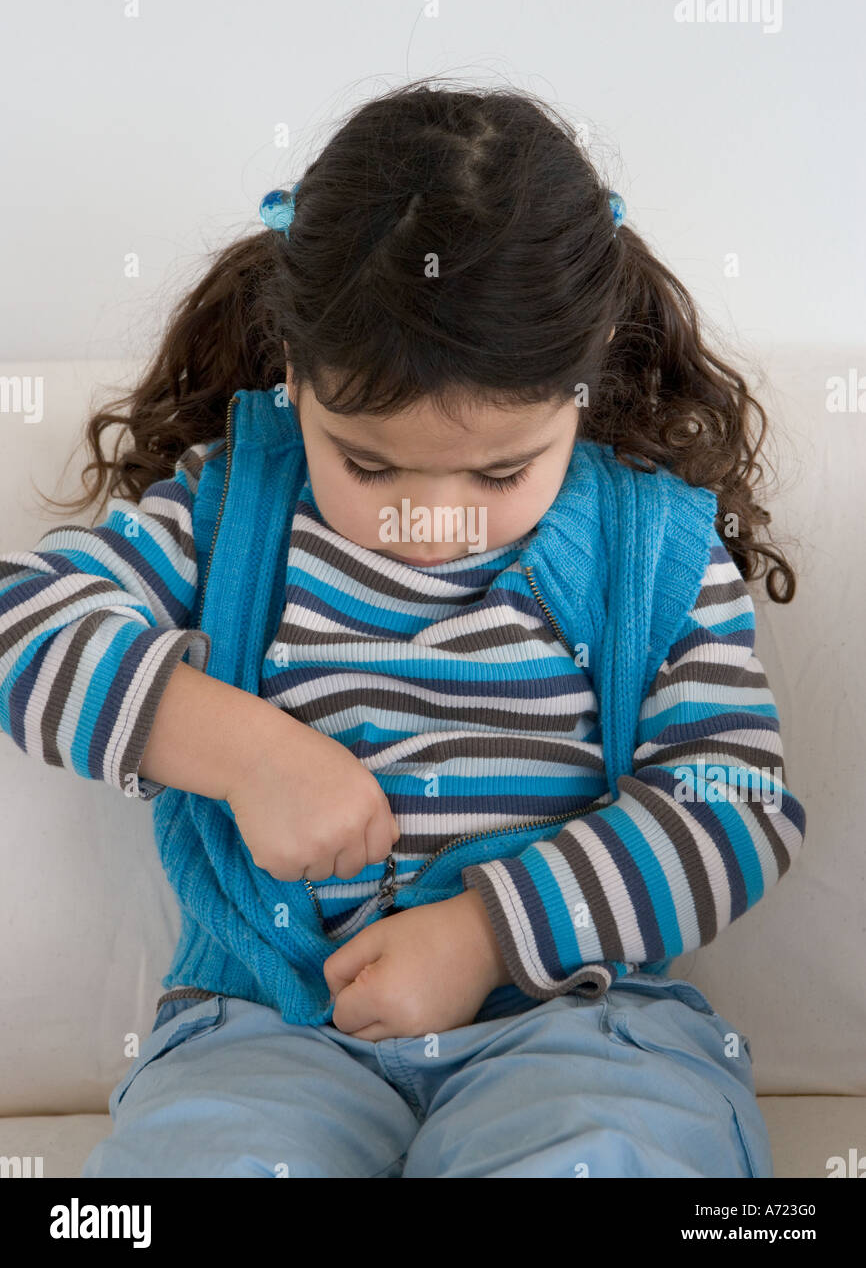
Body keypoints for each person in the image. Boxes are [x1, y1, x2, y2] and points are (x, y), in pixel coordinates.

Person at [1, 82, 804, 1178]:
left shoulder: (653, 548)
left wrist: (485, 933)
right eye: (367, 465)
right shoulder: (232, 516)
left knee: (610, 1155)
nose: (431, 521)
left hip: (576, 1027)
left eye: (501, 468)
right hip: (266, 1038)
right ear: (292, 371)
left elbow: (734, 802)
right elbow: (21, 624)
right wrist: (240, 749)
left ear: (585, 374)